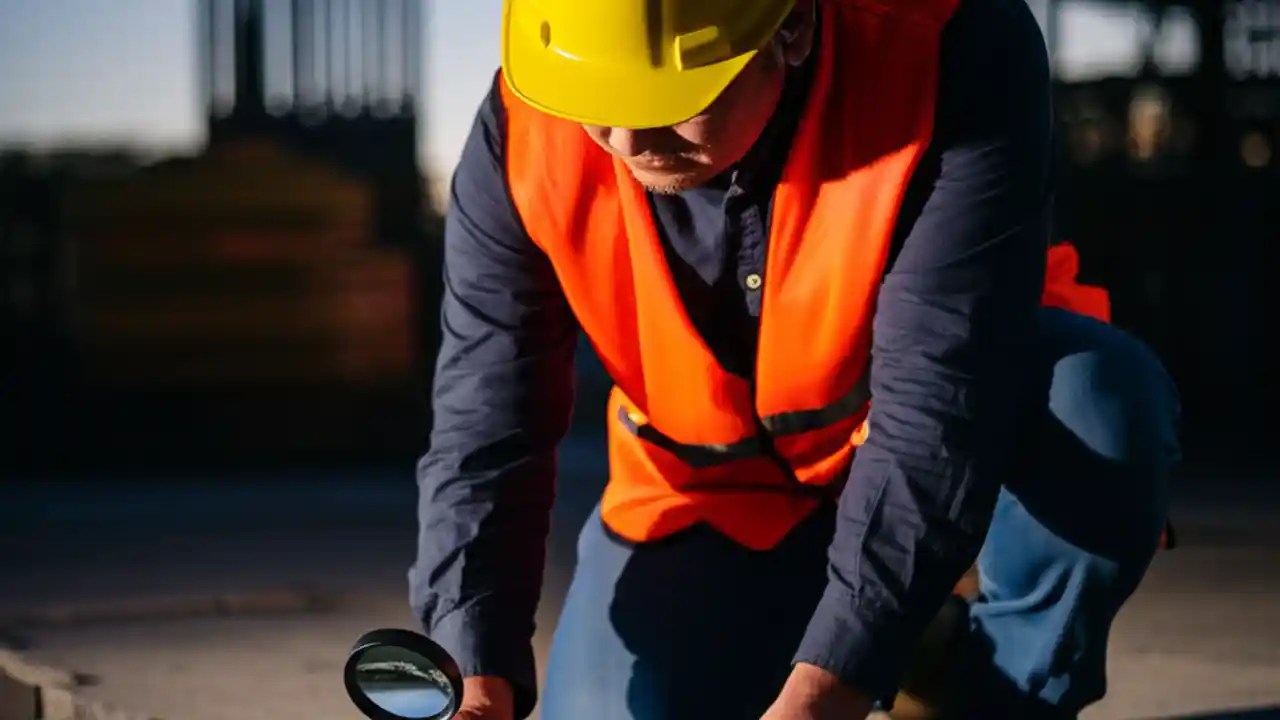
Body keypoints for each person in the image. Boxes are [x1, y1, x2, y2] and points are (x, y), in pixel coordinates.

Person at [409, 0, 1181, 718]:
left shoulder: (947, 44)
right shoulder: (524, 131)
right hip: (707, 495)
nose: (623, 143)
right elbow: (486, 419)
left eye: (667, 103)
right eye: (595, 106)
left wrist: (827, 691)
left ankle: (990, 692)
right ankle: (914, 642)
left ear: (794, 27)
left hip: (953, 450)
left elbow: (943, 397)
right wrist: (476, 674)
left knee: (1094, 399)